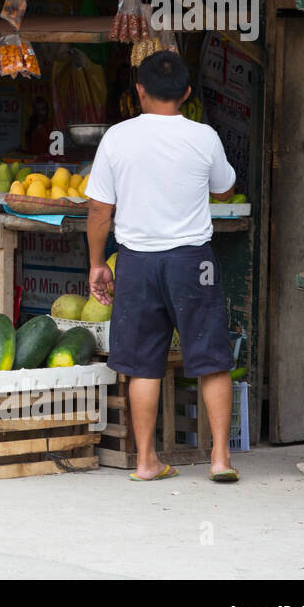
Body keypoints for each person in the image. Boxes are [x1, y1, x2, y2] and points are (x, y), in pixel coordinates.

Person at [85, 52, 239, 483]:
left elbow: (99, 211)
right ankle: (220, 459)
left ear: (139, 91)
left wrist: (98, 263)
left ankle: (145, 461)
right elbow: (225, 190)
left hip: (135, 263)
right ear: (187, 94)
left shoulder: (117, 138)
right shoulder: (204, 136)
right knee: (211, 359)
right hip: (193, 262)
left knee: (142, 364)